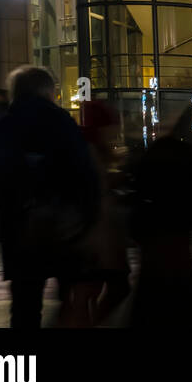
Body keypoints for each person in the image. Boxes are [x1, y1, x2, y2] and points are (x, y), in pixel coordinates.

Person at [0, 66, 99, 329]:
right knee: (68, 297)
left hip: (18, 228)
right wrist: (88, 220)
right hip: (64, 227)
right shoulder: (62, 121)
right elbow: (84, 174)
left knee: (24, 304)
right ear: (48, 91)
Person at [129, 105, 192, 328]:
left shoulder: (154, 151)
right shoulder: (185, 153)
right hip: (178, 224)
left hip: (155, 224)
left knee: (153, 277)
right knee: (181, 274)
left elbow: (140, 188)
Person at [70, 100, 132, 327]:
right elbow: (95, 187)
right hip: (95, 235)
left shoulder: (90, 148)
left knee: (90, 291)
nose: (116, 130)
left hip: (97, 233)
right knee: (95, 289)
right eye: (112, 125)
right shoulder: (91, 151)